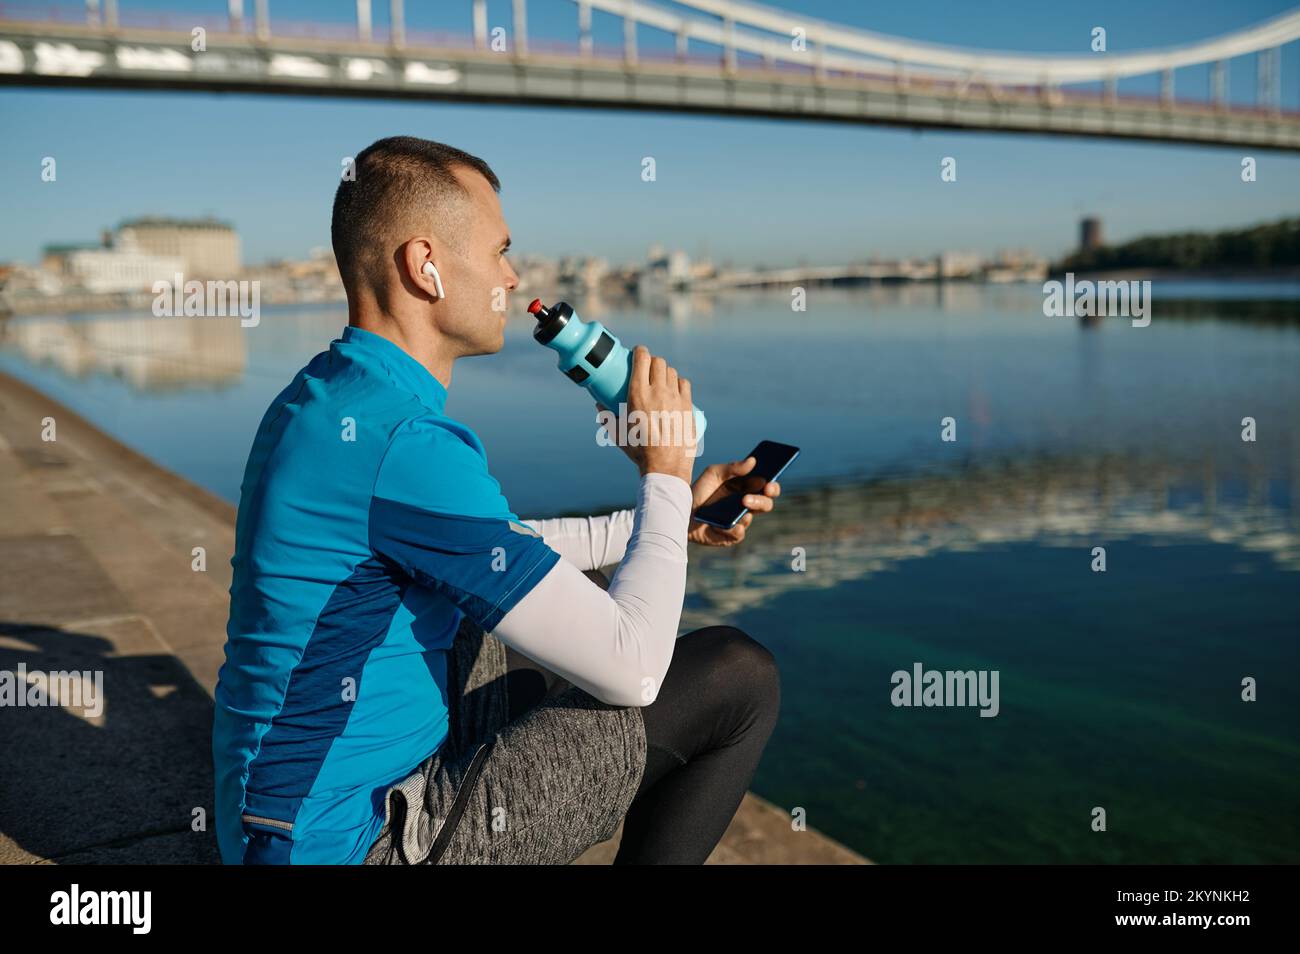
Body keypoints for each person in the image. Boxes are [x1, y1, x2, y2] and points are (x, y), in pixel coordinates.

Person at [212, 136, 782, 865]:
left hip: (272, 823)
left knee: (546, 632)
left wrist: (669, 519)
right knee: (737, 672)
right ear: (426, 266)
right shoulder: (405, 444)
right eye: (499, 252)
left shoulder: (328, 400)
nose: (512, 278)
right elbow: (635, 666)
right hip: (351, 847)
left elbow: (493, 542)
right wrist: (665, 470)